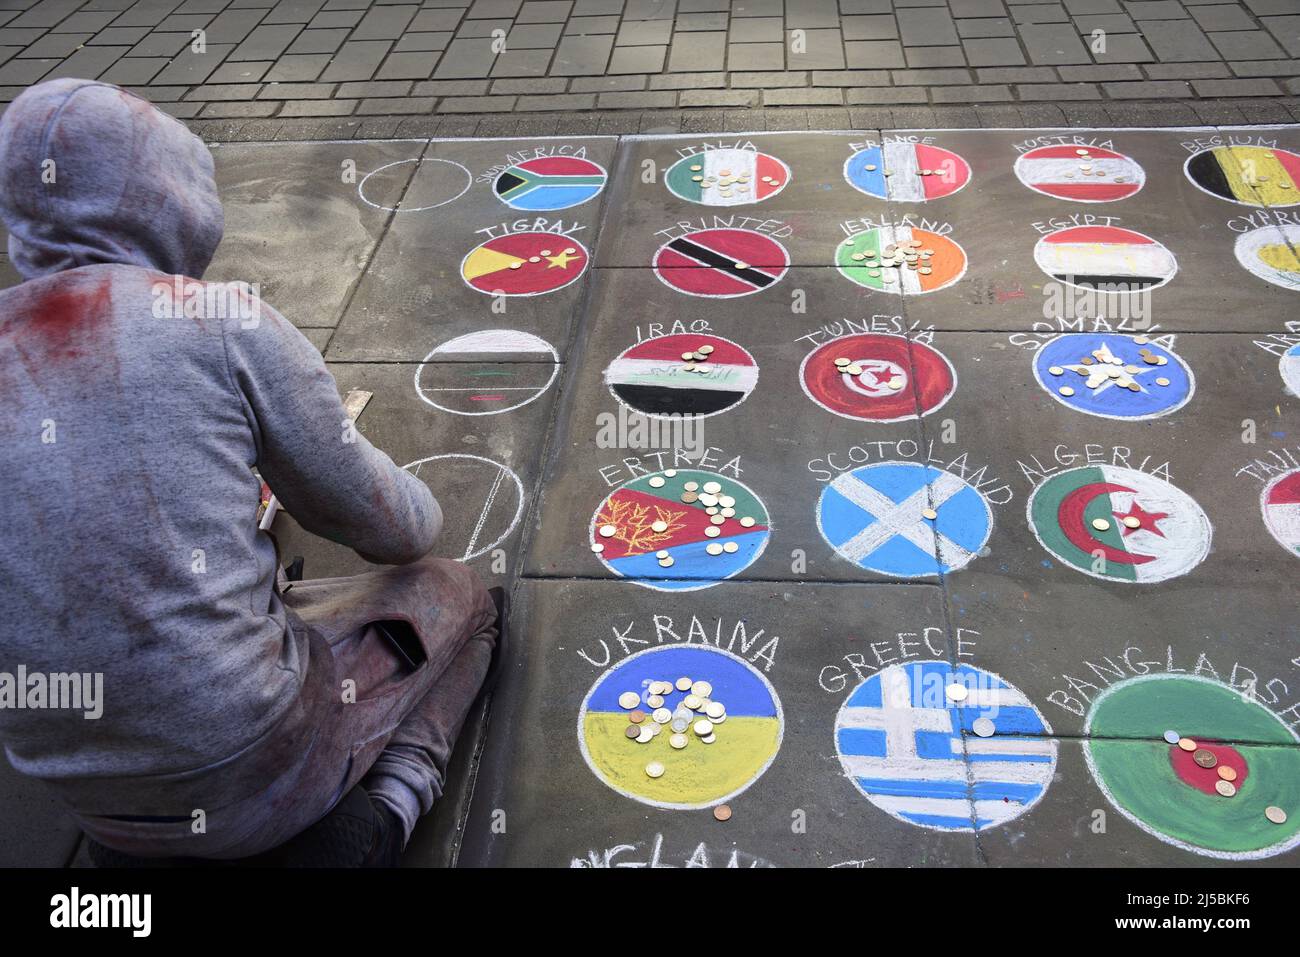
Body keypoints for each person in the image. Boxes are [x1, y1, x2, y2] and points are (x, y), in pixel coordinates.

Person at [0, 78, 502, 866]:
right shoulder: (218, 322)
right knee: (461, 597)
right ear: (171, 193)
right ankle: (373, 819)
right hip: (258, 758)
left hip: (92, 800)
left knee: (239, 608)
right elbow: (401, 529)